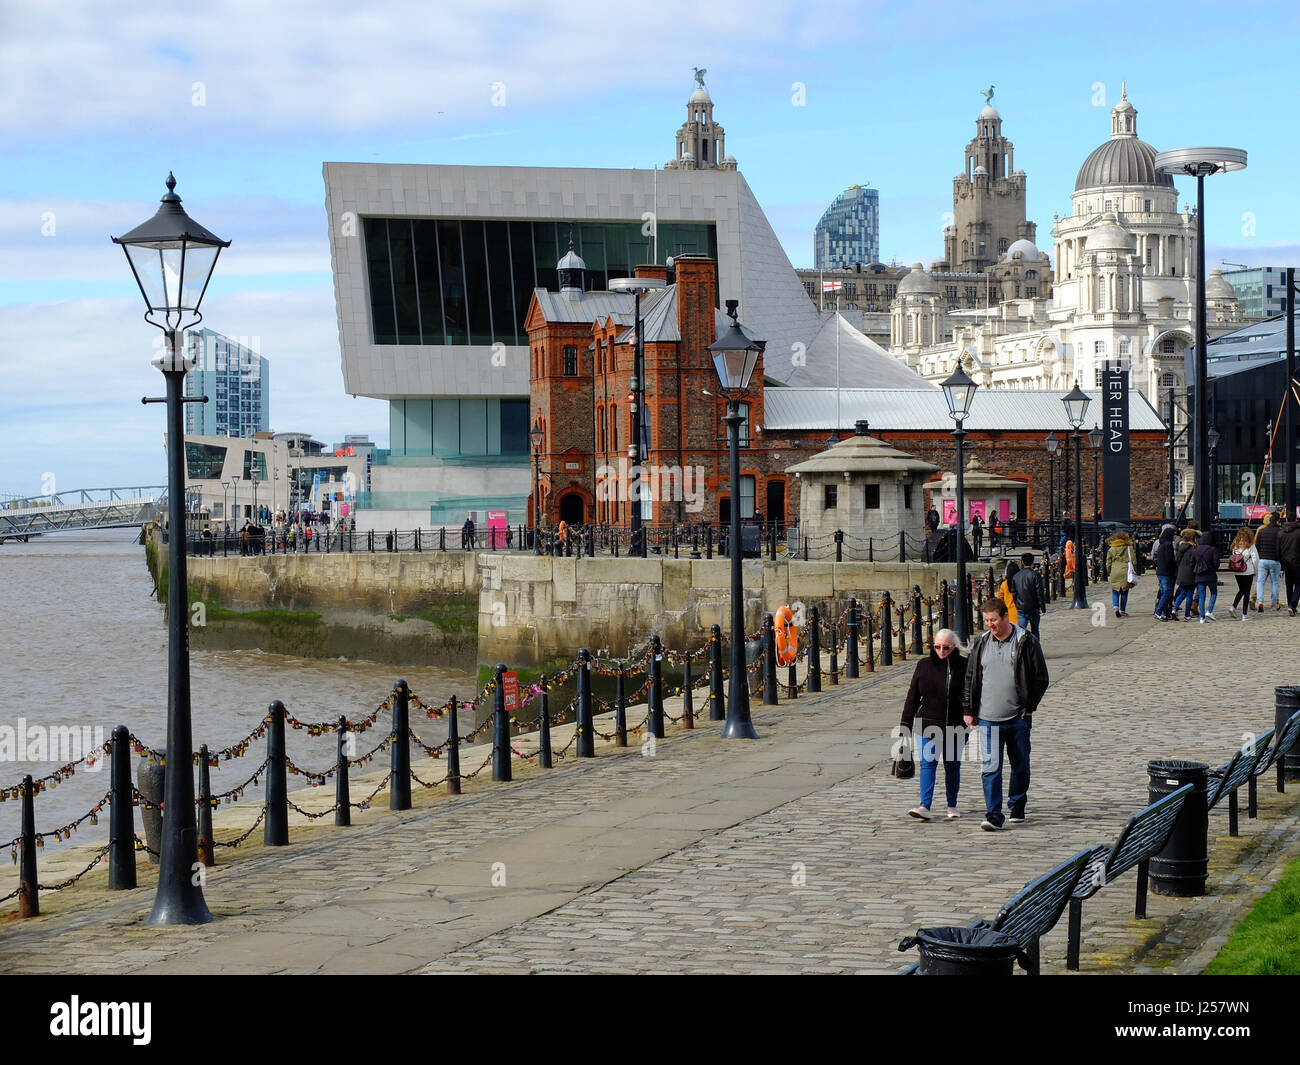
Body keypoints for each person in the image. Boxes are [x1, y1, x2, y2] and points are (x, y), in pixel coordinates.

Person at [963, 598, 1049, 831]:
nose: (990, 625)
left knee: (1020, 764)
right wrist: (969, 710)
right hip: (988, 717)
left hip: (1018, 717)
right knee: (991, 767)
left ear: (1005, 617)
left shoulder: (1026, 641)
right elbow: (970, 677)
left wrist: (1030, 705)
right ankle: (993, 814)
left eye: (993, 620)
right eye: (986, 621)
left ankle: (1017, 803)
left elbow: (1041, 677)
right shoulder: (981, 642)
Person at [900, 629, 968, 822]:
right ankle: (924, 805)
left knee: (952, 766)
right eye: (937, 646)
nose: (941, 651)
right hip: (927, 724)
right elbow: (912, 697)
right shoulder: (924, 665)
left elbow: (972, 693)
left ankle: (952, 805)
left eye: (946, 647)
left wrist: (971, 715)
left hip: (955, 725)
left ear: (954, 647)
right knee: (928, 765)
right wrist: (905, 723)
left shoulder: (964, 665)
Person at [1010, 551, 1046, 640]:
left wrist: (1017, 604)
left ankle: (1021, 650)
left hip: (1021, 607)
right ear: (1032, 562)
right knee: (1035, 631)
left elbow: (1014, 593)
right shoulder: (1035, 575)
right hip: (1034, 607)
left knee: (1021, 631)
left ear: (1022, 562)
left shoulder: (1016, 576)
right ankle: (1035, 650)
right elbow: (1039, 592)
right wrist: (1042, 607)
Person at [1227, 526, 1258, 620]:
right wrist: (1256, 570)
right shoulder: (1250, 545)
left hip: (1237, 571)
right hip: (1247, 570)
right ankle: (1244, 614)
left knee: (1241, 590)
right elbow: (1255, 559)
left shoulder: (1235, 545)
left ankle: (1233, 607)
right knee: (1247, 592)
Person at [1255, 511, 1282, 612]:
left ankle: (1260, 602)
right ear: (1278, 521)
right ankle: (1274, 604)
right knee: (1274, 582)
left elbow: (1257, 546)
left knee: (1260, 582)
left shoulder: (1262, 531)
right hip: (1275, 560)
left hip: (1263, 560)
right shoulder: (1279, 532)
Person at [1106, 531, 1136, 618]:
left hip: (1114, 571)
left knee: (1115, 590)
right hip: (1125, 571)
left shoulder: (1111, 549)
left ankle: (1116, 607)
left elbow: (1108, 563)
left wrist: (1109, 571)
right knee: (1124, 591)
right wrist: (1134, 569)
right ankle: (1122, 610)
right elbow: (1134, 561)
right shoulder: (1128, 548)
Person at [1172, 527, 1199, 620]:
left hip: (1181, 572)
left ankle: (1174, 609)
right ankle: (1187, 615)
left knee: (1182, 592)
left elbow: (1177, 560)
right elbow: (1194, 561)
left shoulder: (1180, 547)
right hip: (1190, 573)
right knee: (1189, 594)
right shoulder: (1193, 548)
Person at [1192, 530, 1219, 622]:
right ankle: (1209, 611)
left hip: (1199, 575)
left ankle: (1202, 617)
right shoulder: (1212, 549)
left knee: (1201, 596)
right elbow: (1216, 564)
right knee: (1214, 593)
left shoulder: (1196, 550)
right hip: (1210, 575)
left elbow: (1192, 563)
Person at [1152, 525, 1177, 620]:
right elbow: (1169, 559)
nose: (1174, 536)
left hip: (1161, 571)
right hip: (1166, 572)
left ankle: (1166, 612)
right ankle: (1158, 612)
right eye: (1173, 535)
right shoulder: (1168, 545)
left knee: (1165, 592)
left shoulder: (1161, 544)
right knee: (1167, 593)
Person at [1279, 515, 1300, 616]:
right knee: (1299, 584)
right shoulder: (1298, 532)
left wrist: (1281, 563)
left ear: (1286, 520)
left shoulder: (1281, 533)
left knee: (1289, 585)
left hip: (1286, 562)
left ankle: (1290, 605)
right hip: (1298, 562)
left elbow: (1278, 549)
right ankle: (1293, 605)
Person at [998, 559, 1020, 627]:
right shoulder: (1019, 583)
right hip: (1019, 612)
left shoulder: (1004, 584)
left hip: (1008, 613)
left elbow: (999, 599)